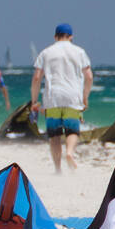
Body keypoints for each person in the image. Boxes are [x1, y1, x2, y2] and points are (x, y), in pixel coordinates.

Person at [30, 23, 92, 172]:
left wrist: (34, 101)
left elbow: (37, 78)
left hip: (53, 98)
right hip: (73, 97)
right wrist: (85, 97)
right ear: (71, 37)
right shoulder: (80, 52)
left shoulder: (46, 53)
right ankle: (69, 153)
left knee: (54, 135)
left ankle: (58, 169)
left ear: (55, 37)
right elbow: (89, 77)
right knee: (72, 131)